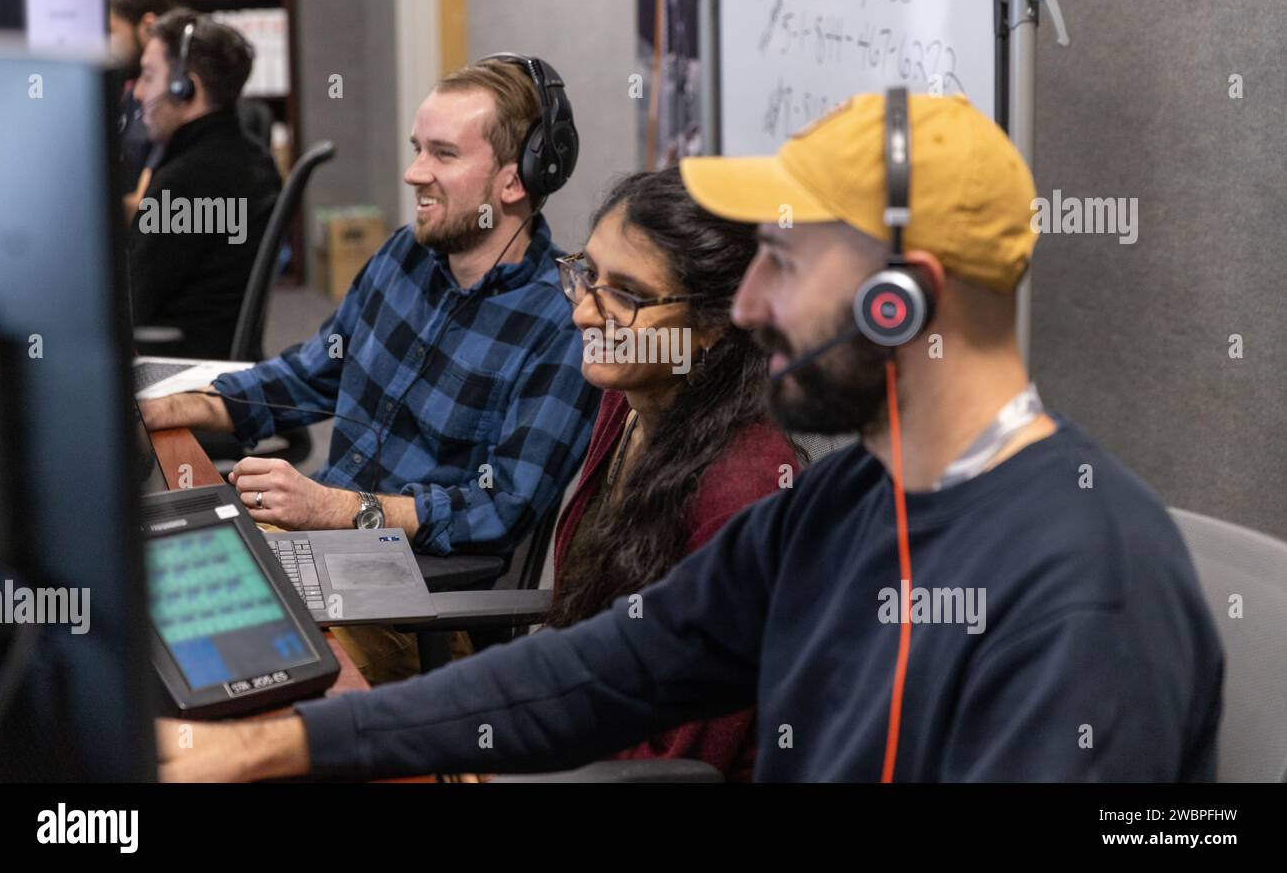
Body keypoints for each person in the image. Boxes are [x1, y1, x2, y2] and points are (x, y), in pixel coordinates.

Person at [157, 93, 1222, 782]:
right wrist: (280, 744)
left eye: (785, 264)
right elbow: (603, 669)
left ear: (904, 299)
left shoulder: (1087, 582)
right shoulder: (843, 507)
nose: (748, 308)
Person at [139, 56, 599, 574]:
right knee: (147, 570)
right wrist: (171, 407)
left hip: (408, 587)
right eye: (416, 149)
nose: (413, 173)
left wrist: (334, 508)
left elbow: (503, 509)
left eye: (442, 154)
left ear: (516, 182)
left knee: (191, 621)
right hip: (318, 541)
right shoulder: (405, 255)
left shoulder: (562, 325)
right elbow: (313, 375)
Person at [548, 167, 799, 780]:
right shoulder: (628, 399)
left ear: (715, 325)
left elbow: (677, 756)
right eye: (588, 275)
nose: (585, 312)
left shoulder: (747, 489)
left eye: (627, 296)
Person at [129, 9, 282, 358]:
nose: (138, 93)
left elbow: (127, 308)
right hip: (223, 363)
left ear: (184, 89)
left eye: (148, 77)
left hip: (176, 376)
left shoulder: (183, 183)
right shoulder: (255, 158)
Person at [108, 0, 174, 214]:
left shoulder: (171, 102)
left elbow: (144, 209)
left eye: (111, 31)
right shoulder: (127, 90)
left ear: (147, 26)